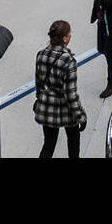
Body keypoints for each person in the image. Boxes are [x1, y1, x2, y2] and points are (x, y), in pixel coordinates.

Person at [33, 20, 86, 159]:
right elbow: (71, 94)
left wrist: (39, 99)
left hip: (47, 106)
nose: (70, 36)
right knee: (73, 139)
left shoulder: (41, 54)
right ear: (64, 39)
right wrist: (80, 115)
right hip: (66, 108)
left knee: (49, 143)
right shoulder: (68, 60)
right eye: (69, 35)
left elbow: (38, 83)